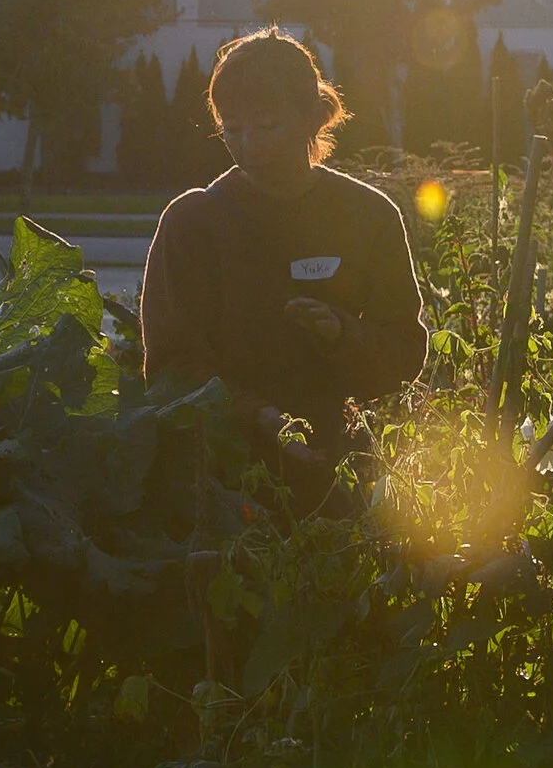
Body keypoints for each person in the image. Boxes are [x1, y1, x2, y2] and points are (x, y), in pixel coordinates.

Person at [138, 29, 426, 501]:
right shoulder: (192, 223)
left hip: (342, 480)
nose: (248, 146)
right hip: (223, 487)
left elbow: (404, 354)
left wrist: (339, 333)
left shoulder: (368, 216)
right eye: (233, 129)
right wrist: (257, 417)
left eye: (266, 127)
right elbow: (172, 369)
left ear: (311, 118)